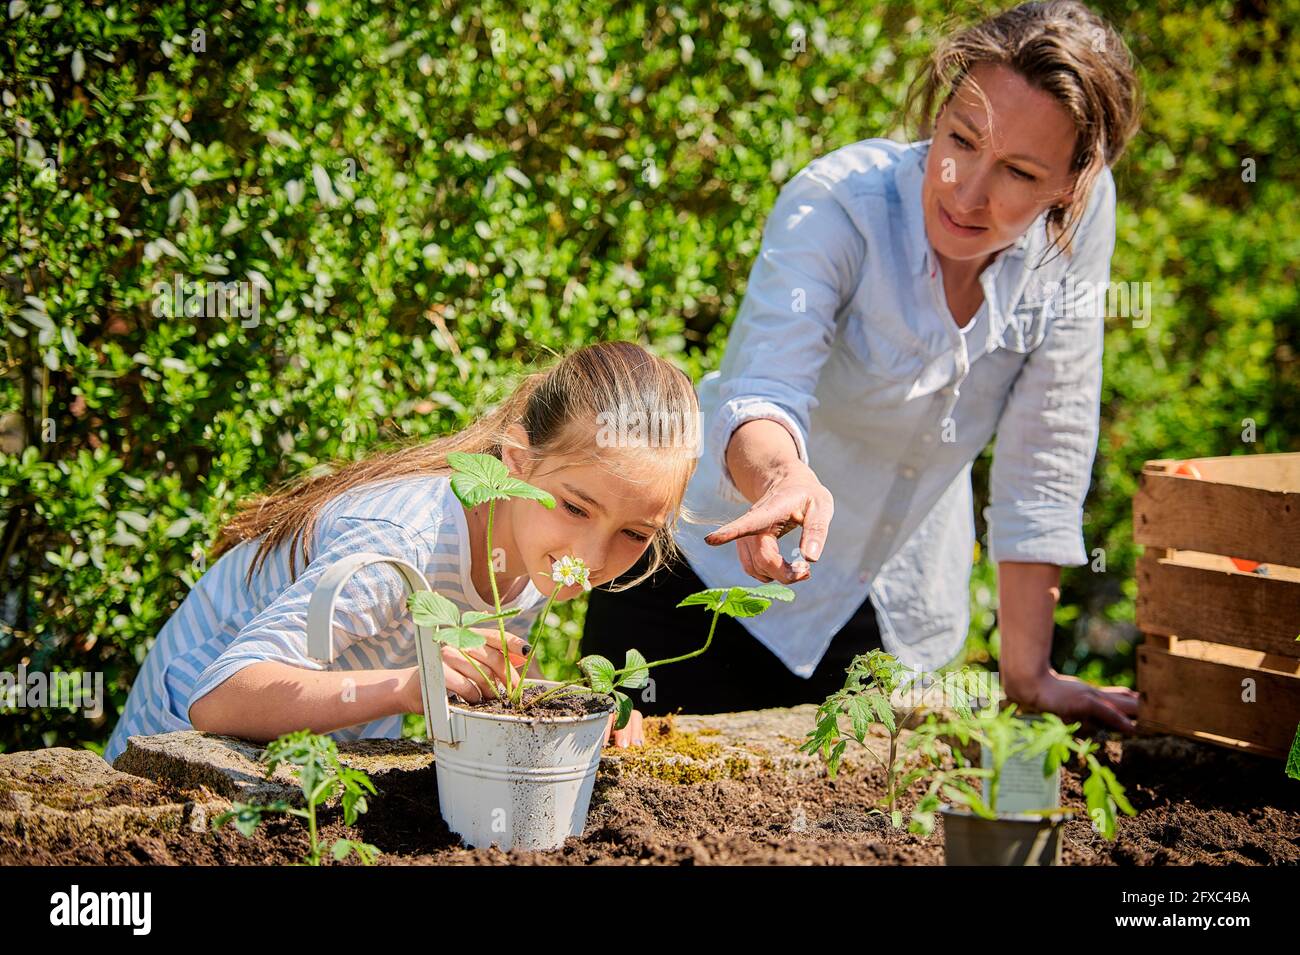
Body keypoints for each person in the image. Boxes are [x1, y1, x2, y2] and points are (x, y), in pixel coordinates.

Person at [583, 0, 1143, 732]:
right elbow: (762, 387)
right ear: (938, 110)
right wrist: (783, 479)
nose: (967, 192)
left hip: (882, 615)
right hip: (700, 590)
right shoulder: (837, 204)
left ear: (1072, 182)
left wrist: (1027, 672)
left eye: (1016, 172)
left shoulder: (1084, 218)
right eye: (961, 139)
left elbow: (1049, 442)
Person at [103, 341, 699, 763]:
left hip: (313, 763)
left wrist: (574, 717)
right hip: (177, 760)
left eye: (636, 534)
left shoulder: (528, 539)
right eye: (576, 507)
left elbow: (501, 667)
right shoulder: (402, 540)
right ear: (517, 461)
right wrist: (412, 688)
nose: (593, 556)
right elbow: (220, 697)